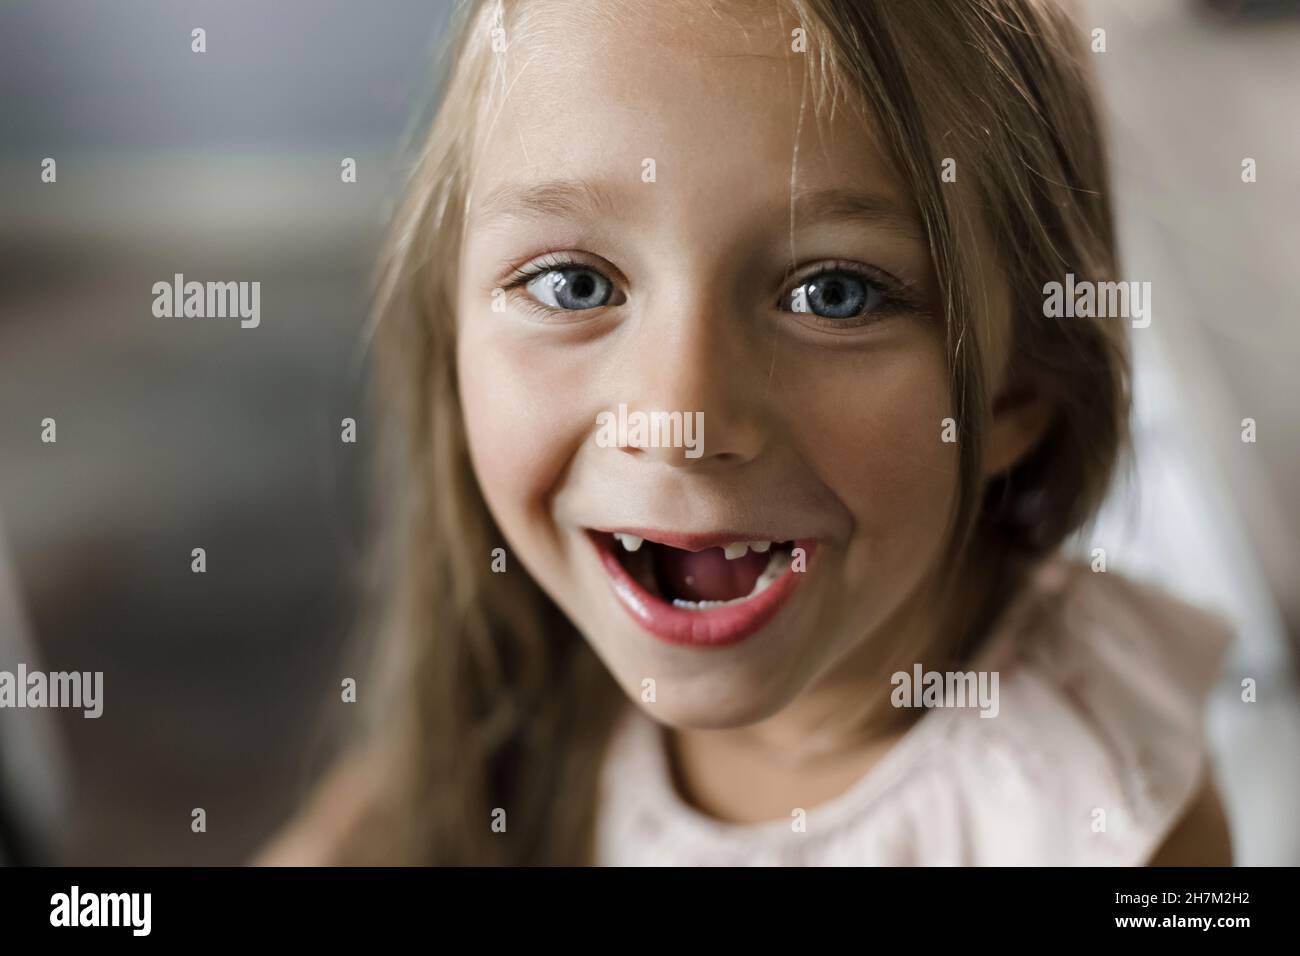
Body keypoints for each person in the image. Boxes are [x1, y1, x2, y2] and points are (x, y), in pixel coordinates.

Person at [260, 0, 1232, 866]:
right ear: (450, 332)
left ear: (1016, 393)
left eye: (833, 294)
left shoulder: (1103, 815)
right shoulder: (523, 665)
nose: (680, 421)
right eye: (575, 284)